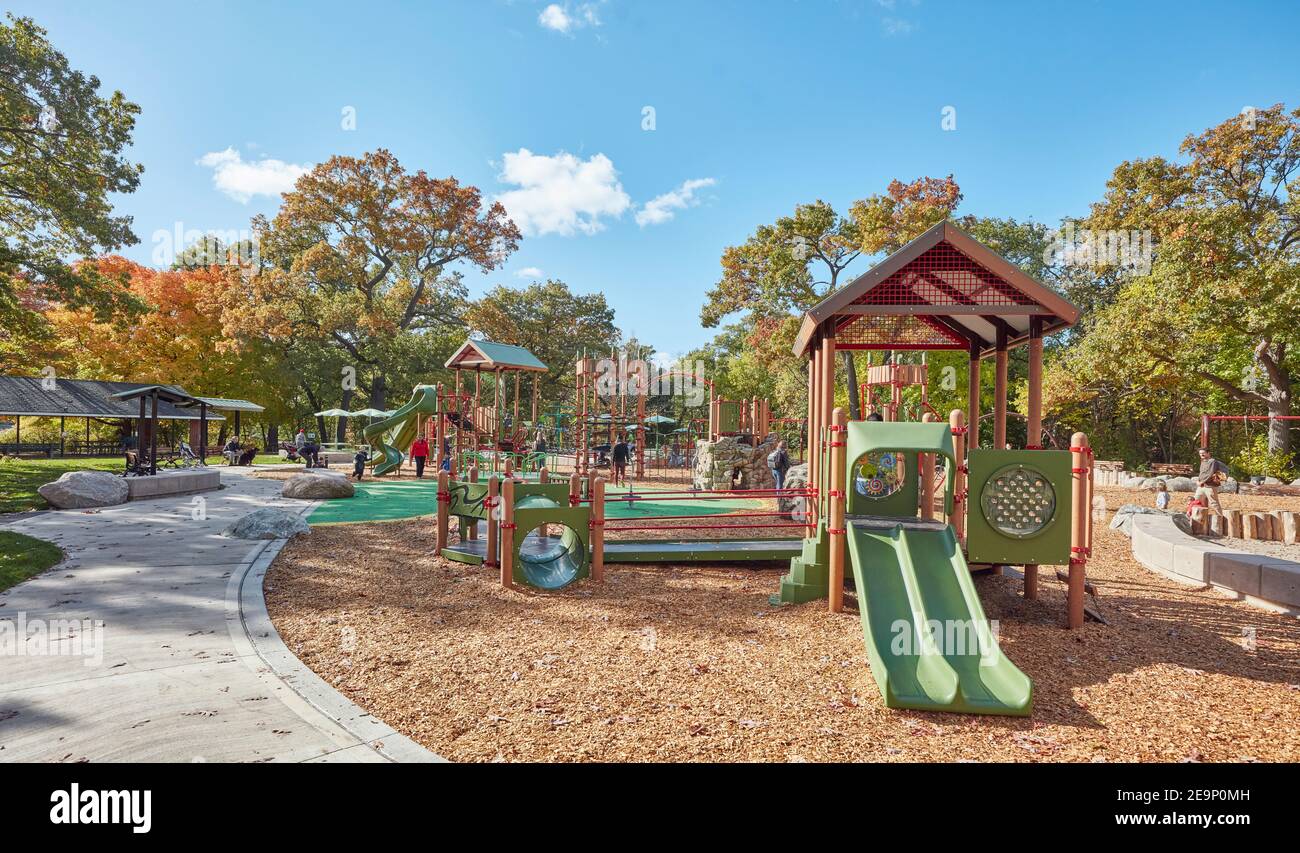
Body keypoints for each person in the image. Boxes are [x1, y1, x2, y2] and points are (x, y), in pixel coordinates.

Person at [1196, 447, 1229, 513]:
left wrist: (1201, 481)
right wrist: (1198, 480)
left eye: (1203, 453)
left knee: (1214, 504)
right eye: (1200, 453)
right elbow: (1202, 473)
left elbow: (1210, 473)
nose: (1201, 454)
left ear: (1208, 453)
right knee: (1196, 501)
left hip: (1210, 487)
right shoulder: (1203, 461)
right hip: (1201, 486)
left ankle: (1221, 518)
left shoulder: (1212, 461)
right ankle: (1197, 518)